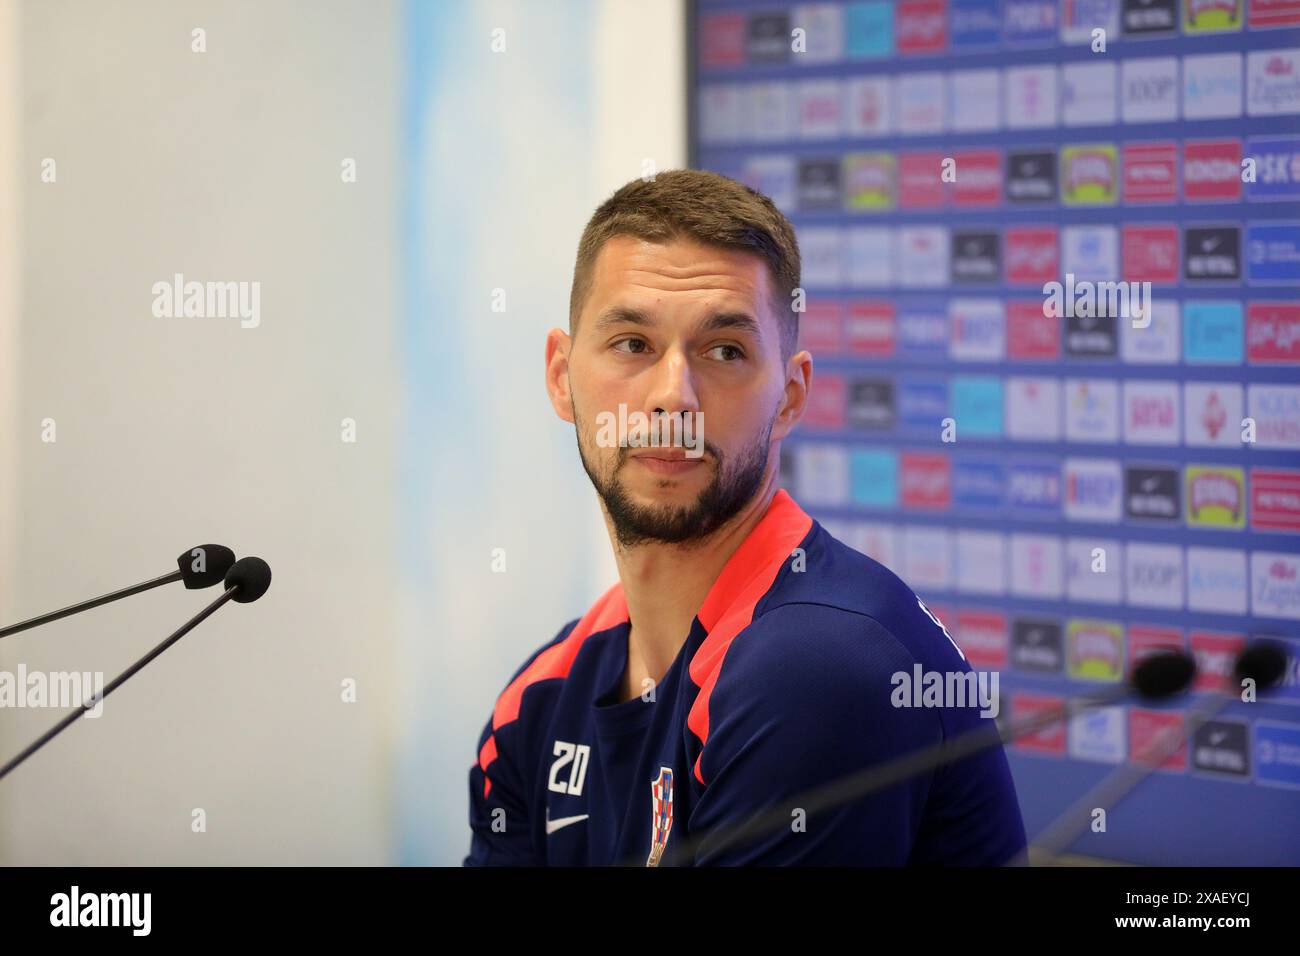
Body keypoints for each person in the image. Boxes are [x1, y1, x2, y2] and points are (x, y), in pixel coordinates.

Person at [464, 169, 1027, 866]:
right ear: (561, 376)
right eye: (633, 344)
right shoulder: (538, 704)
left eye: (724, 351)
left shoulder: (819, 666)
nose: (674, 399)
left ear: (790, 398)